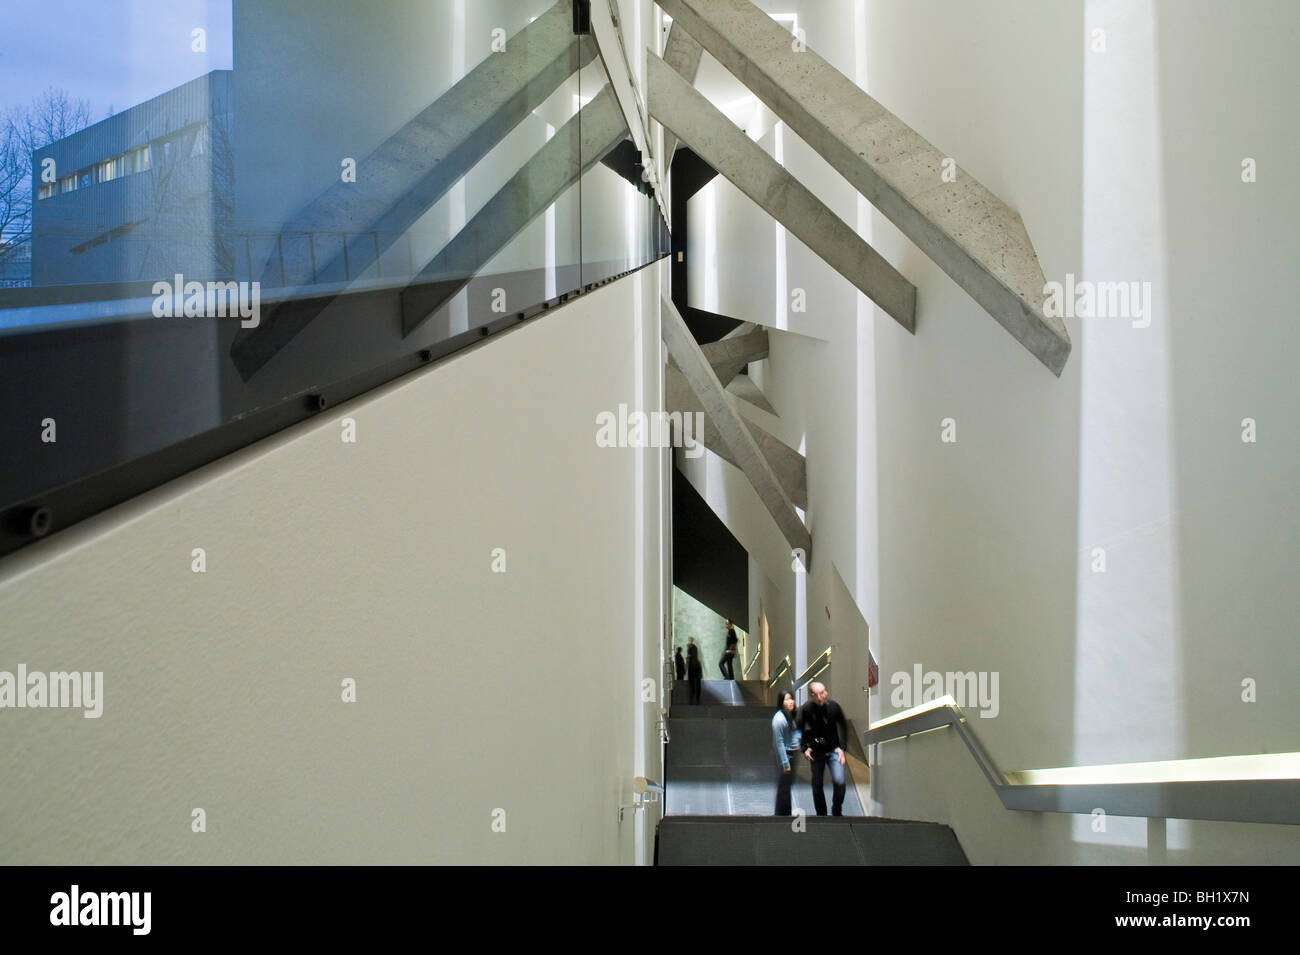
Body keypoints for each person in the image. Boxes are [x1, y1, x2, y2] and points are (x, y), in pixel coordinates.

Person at [799, 682, 849, 816]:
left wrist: (842, 748)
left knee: (840, 781)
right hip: (816, 752)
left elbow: (843, 726)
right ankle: (822, 815)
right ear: (813, 695)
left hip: (833, 750)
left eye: (823, 692)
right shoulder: (807, 709)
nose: (822, 696)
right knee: (817, 783)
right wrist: (805, 748)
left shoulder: (833, 707)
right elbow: (801, 729)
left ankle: (836, 809)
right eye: (818, 694)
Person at [771, 690, 802, 815]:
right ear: (781, 702)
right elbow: (778, 743)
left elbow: (795, 732)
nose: (791, 702)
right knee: (784, 786)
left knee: (786, 785)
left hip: (792, 754)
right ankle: (782, 813)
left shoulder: (790, 715)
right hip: (786, 755)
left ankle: (784, 812)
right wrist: (785, 763)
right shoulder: (779, 719)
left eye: (791, 699)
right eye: (787, 699)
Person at [686, 640, 703, 705]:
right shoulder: (697, 662)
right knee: (697, 686)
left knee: (692, 686)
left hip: (692, 673)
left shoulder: (691, 663)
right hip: (696, 673)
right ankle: (697, 700)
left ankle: (692, 700)